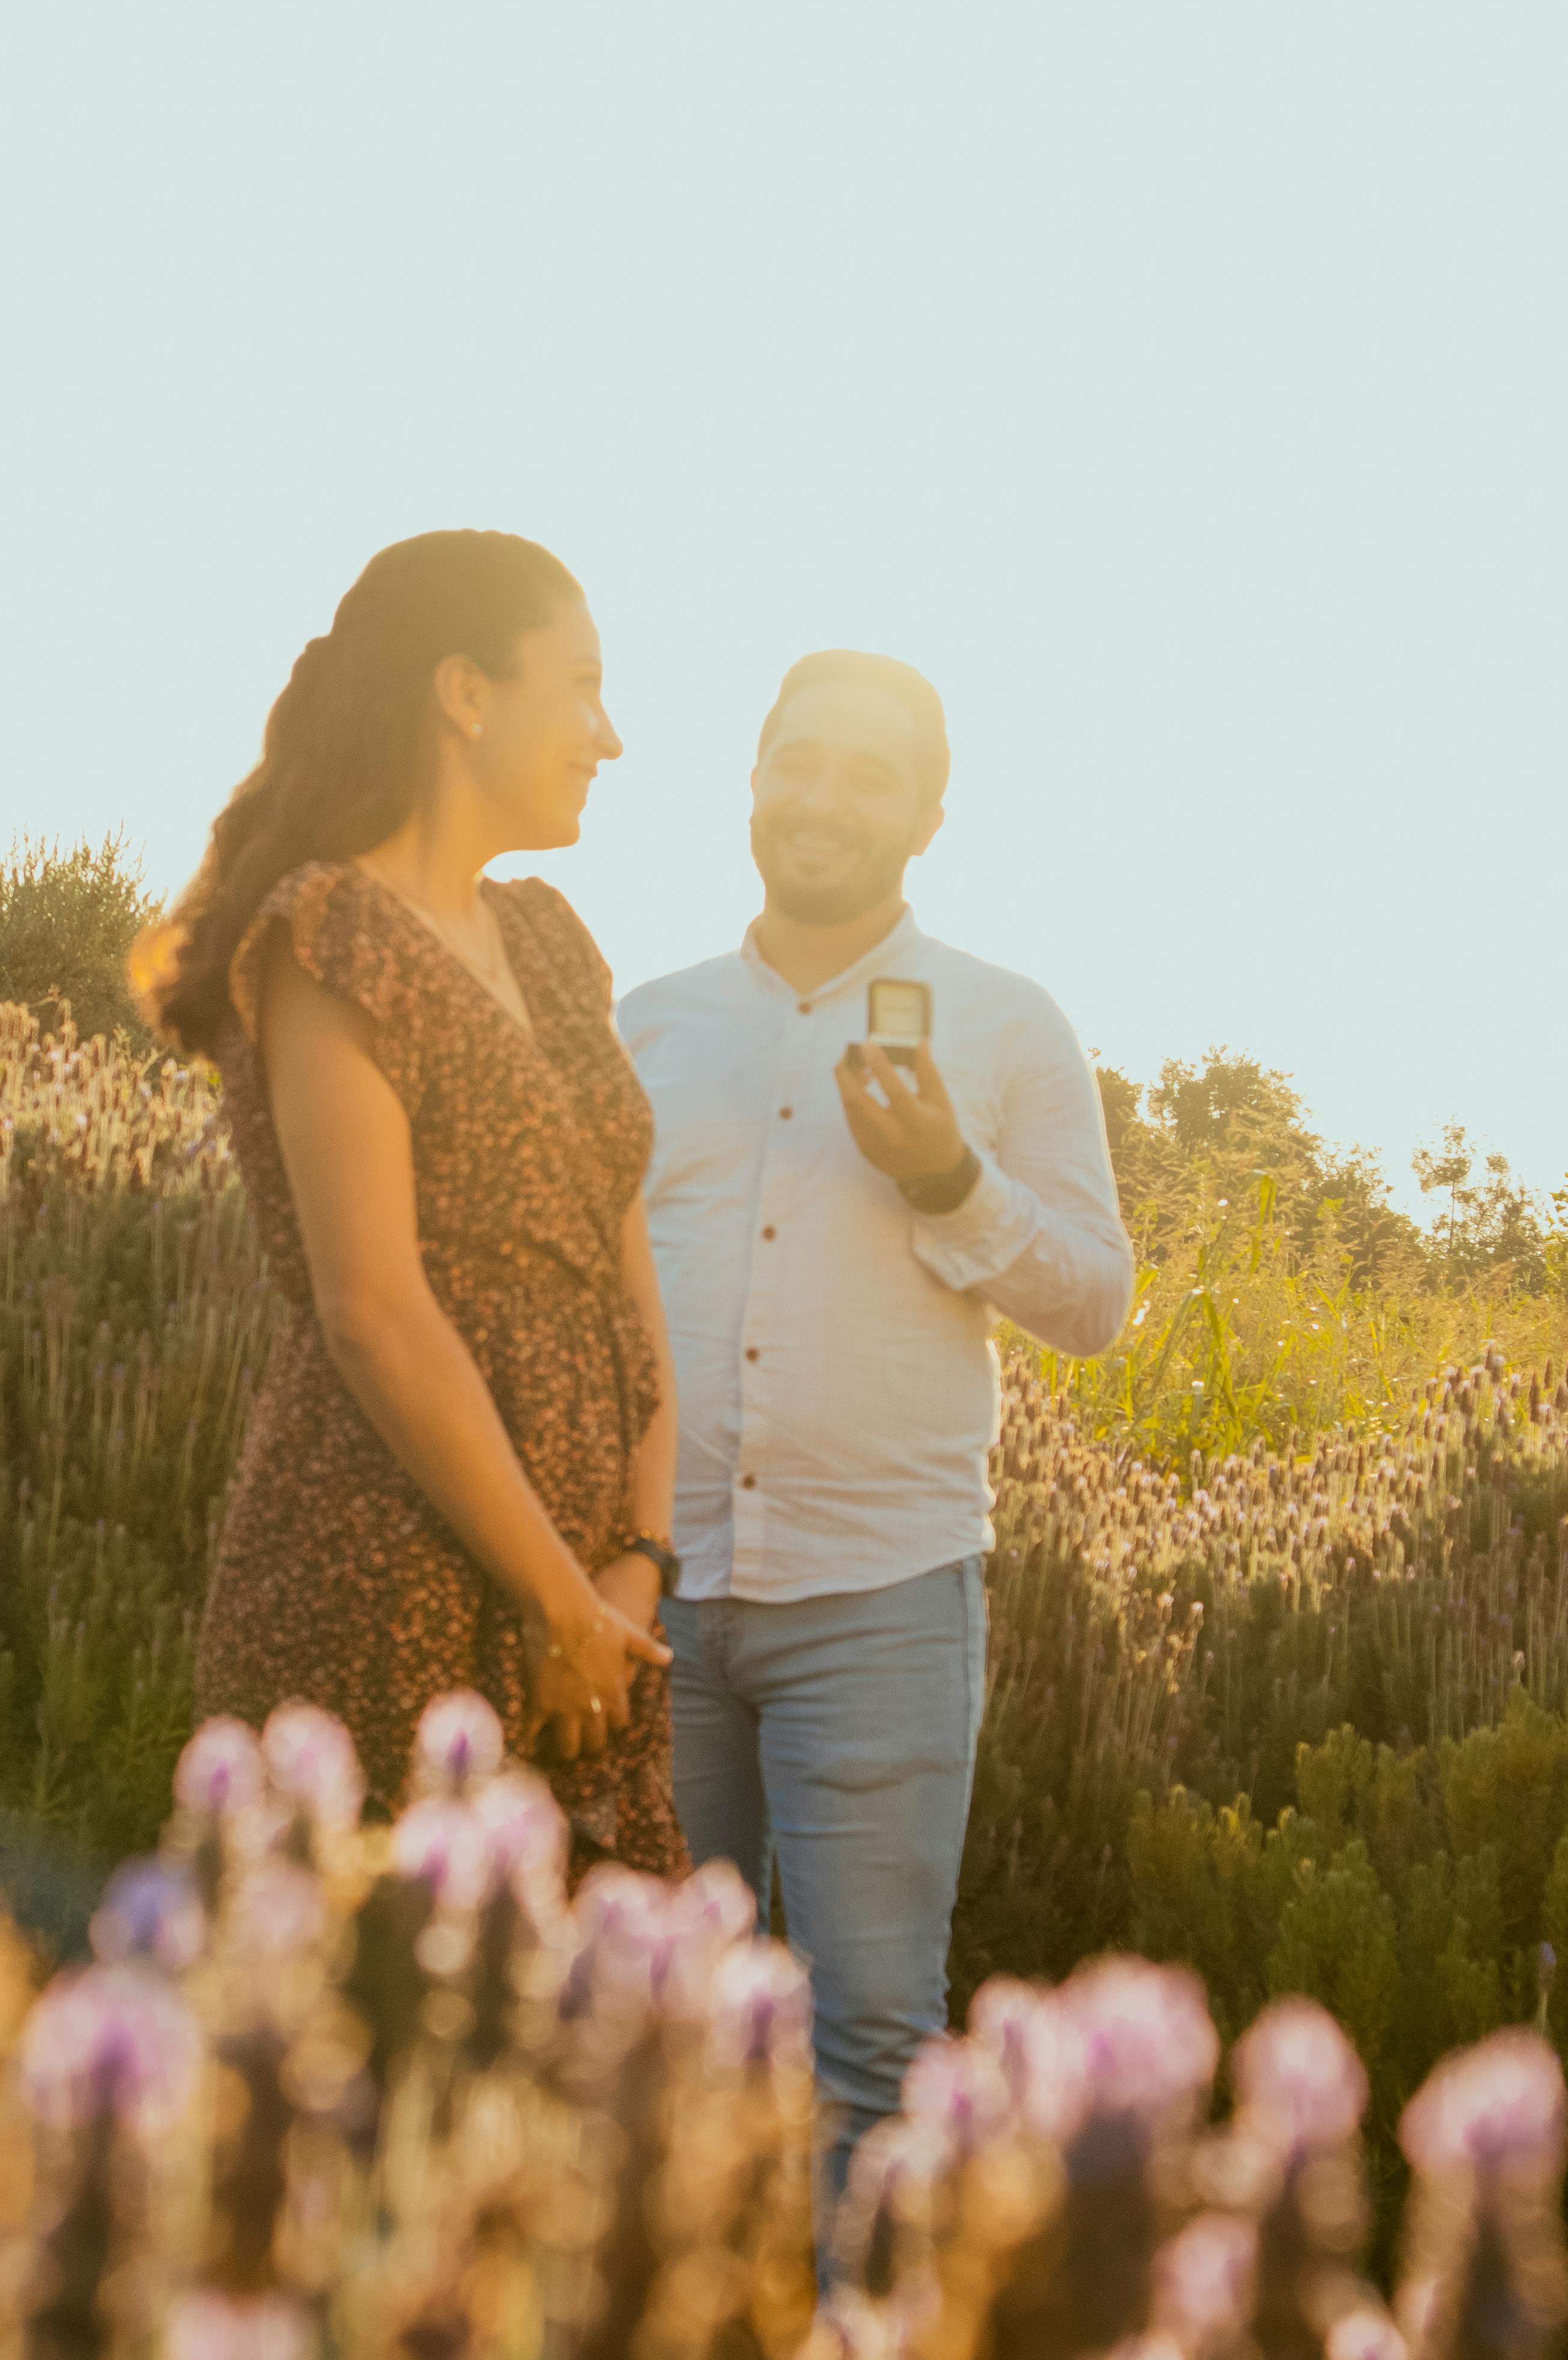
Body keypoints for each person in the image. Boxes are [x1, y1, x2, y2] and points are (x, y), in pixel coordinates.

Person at [616, 648, 1135, 2203]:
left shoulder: (1006, 1024)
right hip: (658, 1597)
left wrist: (948, 1180)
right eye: (800, 760)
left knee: (874, 2055)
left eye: (867, 772)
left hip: (885, 1606)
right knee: (669, 2052)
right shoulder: (646, 1026)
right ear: (756, 776)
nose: (823, 796)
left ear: (929, 815)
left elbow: (1098, 1303)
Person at [134, 529, 685, 1868]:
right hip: (390, 1569)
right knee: (379, 2029)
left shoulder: (553, 944)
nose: (608, 736)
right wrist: (557, 1599)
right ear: (466, 692)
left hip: (593, 1608)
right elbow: (372, 1306)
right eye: (583, 686)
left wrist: (636, 1566)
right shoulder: (332, 931)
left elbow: (629, 1283)